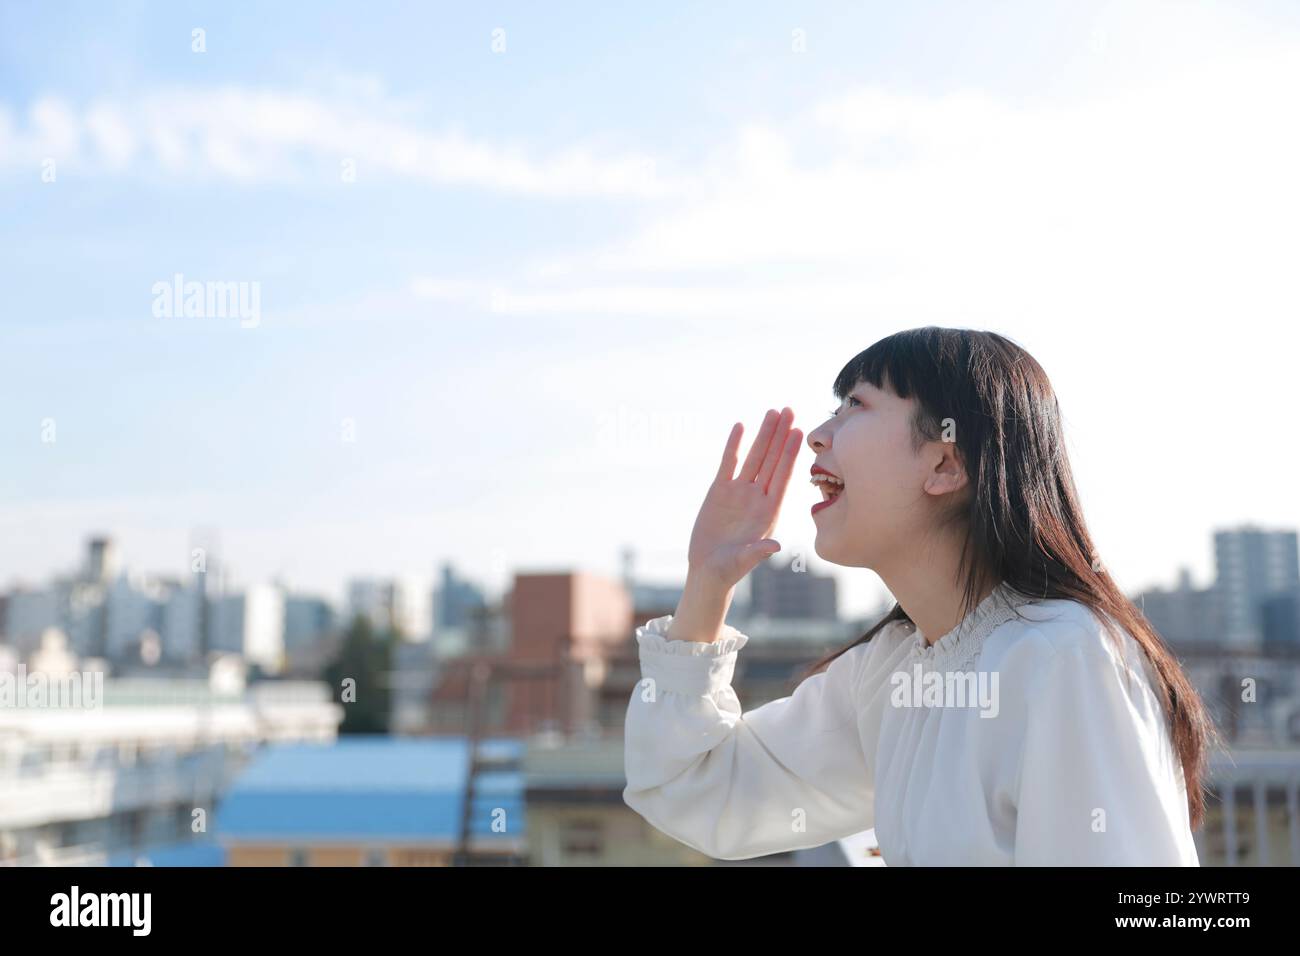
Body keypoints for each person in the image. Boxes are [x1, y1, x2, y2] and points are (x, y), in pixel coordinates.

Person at [622, 326, 1221, 865]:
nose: (819, 436)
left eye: (856, 404)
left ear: (943, 463)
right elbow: (697, 790)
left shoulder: (1064, 658)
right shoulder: (892, 671)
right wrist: (707, 582)